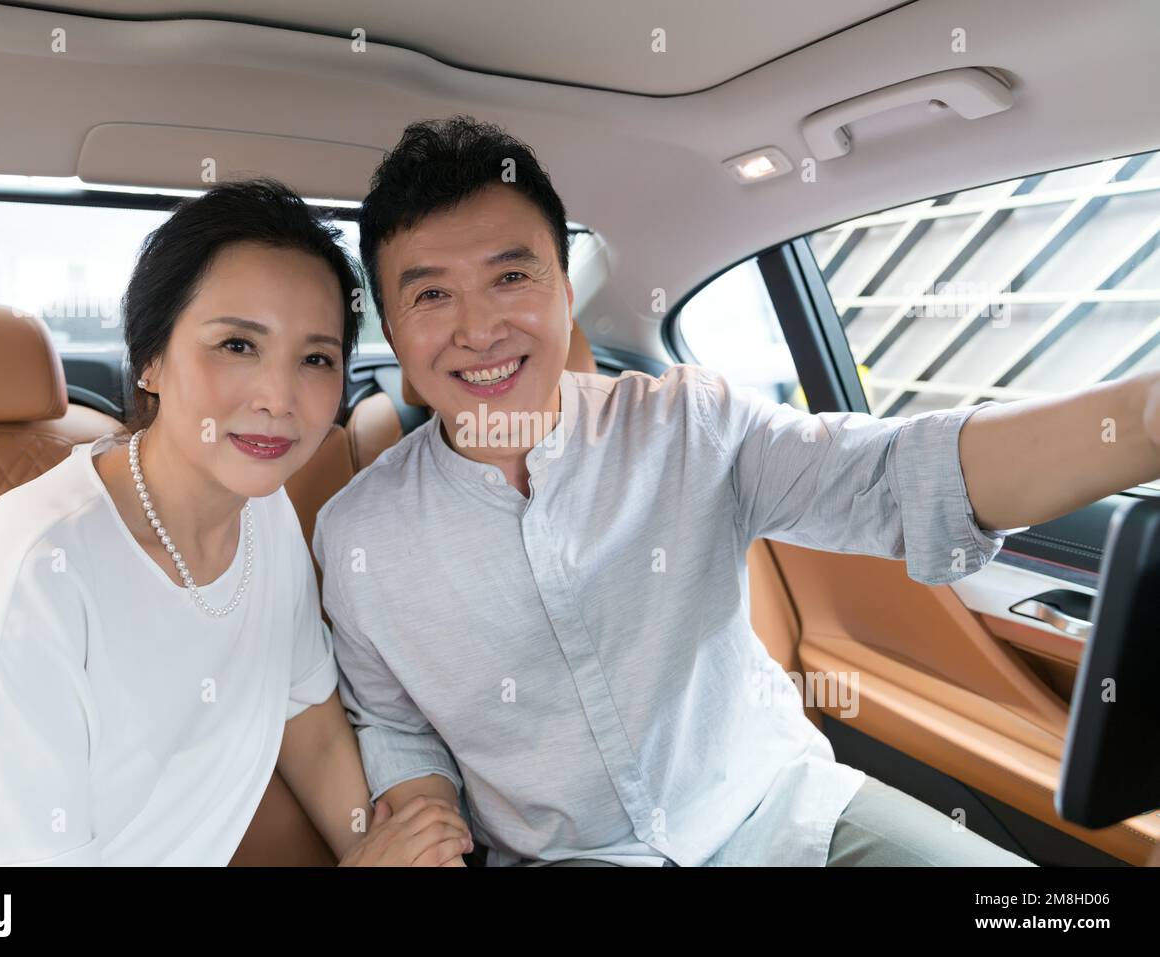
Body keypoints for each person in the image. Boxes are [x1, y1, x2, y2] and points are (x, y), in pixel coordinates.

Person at [313, 115, 1160, 866]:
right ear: (392, 330)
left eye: (511, 276)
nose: (479, 329)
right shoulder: (357, 536)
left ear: (565, 292)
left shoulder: (687, 421)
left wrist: (1142, 419)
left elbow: (900, 474)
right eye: (432, 294)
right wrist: (425, 820)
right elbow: (393, 723)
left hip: (786, 811)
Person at [0, 178, 472, 866]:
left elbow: (307, 716)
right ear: (151, 358)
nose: (279, 396)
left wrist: (381, 845)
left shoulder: (264, 515)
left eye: (316, 358)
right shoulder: (38, 577)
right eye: (238, 345)